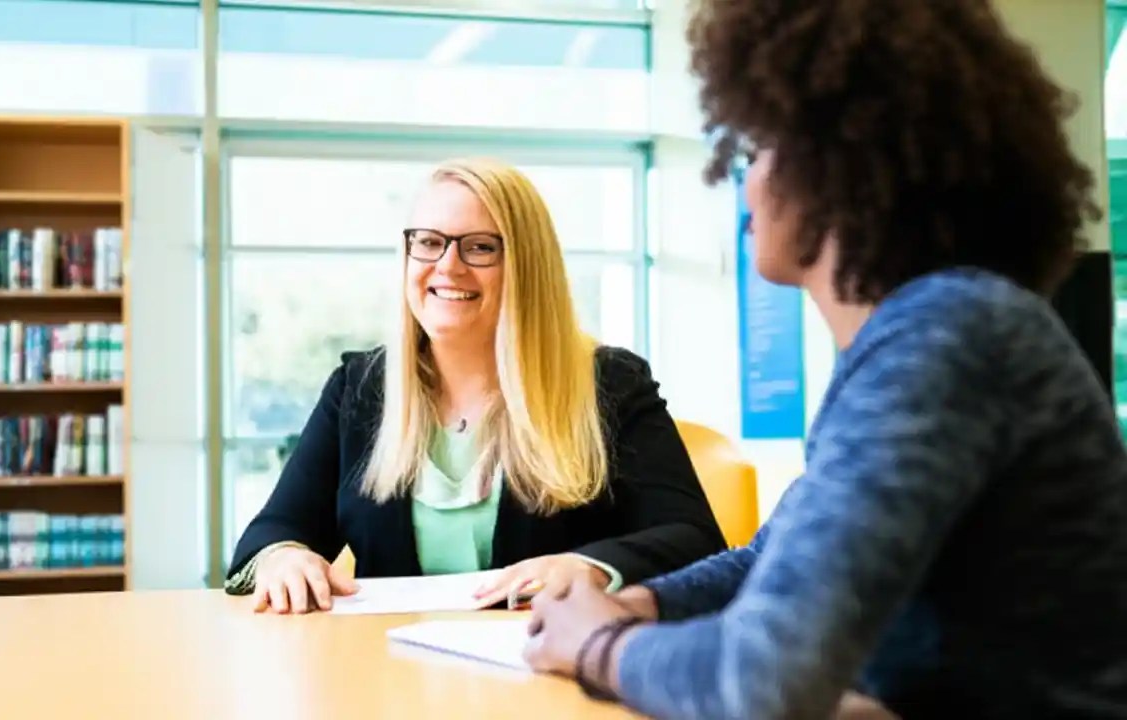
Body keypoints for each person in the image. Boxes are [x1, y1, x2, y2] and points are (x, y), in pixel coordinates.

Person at [522, 1, 1127, 718]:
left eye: (758, 151)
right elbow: (770, 559)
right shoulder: (921, 334)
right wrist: (640, 602)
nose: (745, 186)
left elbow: (764, 680)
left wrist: (598, 646)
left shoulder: (950, 338)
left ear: (837, 167)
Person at [225, 157, 727, 614]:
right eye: (428, 242)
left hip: (551, 671)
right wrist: (283, 559)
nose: (447, 265)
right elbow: (272, 532)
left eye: (480, 247)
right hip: (389, 676)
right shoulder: (358, 390)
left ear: (527, 268)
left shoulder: (608, 385)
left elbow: (694, 538)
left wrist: (590, 567)